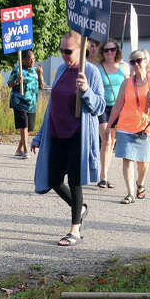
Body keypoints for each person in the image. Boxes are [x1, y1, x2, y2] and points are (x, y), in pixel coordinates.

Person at [30, 31, 105, 247]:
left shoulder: (91, 72)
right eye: (62, 50)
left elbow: (99, 106)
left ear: (81, 50)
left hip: (78, 136)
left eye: (68, 51)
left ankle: (75, 231)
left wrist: (87, 90)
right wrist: (40, 136)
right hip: (56, 133)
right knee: (53, 180)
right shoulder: (61, 69)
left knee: (74, 181)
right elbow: (52, 106)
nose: (64, 54)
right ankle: (79, 208)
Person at [107, 49, 150, 203]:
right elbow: (118, 105)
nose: (135, 64)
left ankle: (140, 183)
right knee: (127, 160)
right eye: (132, 61)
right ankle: (130, 193)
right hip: (126, 126)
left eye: (138, 60)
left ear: (146, 62)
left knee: (143, 163)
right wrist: (110, 125)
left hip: (145, 128)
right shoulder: (127, 83)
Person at [95, 39, 127, 188]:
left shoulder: (124, 67)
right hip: (103, 107)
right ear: (102, 52)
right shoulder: (98, 68)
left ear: (117, 51)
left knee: (112, 142)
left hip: (118, 107)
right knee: (106, 139)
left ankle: (105, 173)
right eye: (106, 50)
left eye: (112, 49)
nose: (109, 53)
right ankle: (103, 175)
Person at [6, 49, 43, 158]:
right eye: (29, 59)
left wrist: (40, 75)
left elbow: (42, 87)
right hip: (19, 102)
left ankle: (19, 149)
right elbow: (9, 84)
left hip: (31, 104)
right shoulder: (18, 70)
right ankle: (26, 150)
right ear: (23, 60)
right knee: (24, 126)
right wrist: (17, 81)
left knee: (29, 128)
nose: (32, 61)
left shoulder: (36, 71)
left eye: (33, 59)